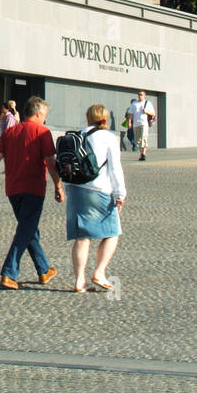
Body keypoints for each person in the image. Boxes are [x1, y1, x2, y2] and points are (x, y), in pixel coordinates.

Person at [0, 95, 65, 289]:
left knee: (29, 229)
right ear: (38, 114)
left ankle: (44, 270)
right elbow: (50, 163)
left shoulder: (10, 132)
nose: (45, 119)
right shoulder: (43, 132)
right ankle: (9, 273)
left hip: (13, 189)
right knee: (25, 230)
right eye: (44, 115)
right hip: (34, 188)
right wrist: (58, 186)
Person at [64, 105, 127, 293]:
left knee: (82, 237)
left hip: (75, 188)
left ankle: (79, 281)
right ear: (105, 119)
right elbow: (115, 168)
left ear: (88, 117)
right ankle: (99, 272)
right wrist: (120, 193)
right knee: (112, 232)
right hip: (99, 190)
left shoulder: (78, 136)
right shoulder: (108, 137)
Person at [129, 89, 156, 161]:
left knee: (143, 138)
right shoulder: (134, 103)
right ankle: (141, 154)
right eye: (139, 95)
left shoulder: (148, 103)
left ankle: (143, 154)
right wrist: (129, 122)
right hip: (136, 124)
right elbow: (130, 114)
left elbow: (153, 114)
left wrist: (146, 112)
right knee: (137, 140)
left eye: (141, 95)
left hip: (144, 123)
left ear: (144, 96)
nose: (140, 96)